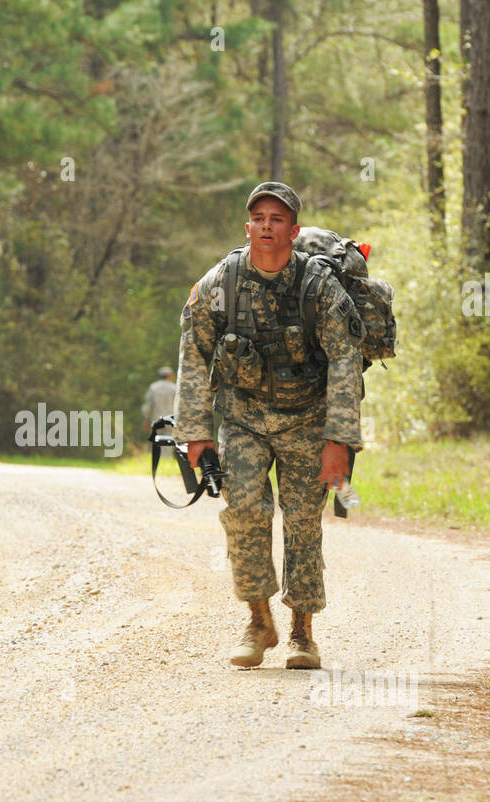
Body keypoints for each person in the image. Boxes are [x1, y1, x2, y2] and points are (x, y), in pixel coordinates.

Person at [172, 181, 364, 669]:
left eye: (277, 219)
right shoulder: (221, 282)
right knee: (246, 515)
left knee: (302, 521)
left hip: (307, 420)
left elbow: (345, 359)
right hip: (242, 419)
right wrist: (194, 432)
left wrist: (339, 440)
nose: (266, 226)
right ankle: (258, 622)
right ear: (247, 226)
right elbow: (194, 354)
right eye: (258, 218)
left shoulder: (318, 287)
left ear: (293, 231)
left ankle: (303, 633)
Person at [141, 366, 177, 456]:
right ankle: (166, 461)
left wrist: (146, 420)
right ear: (169, 376)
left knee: (156, 442)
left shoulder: (153, 387)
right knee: (168, 441)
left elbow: (148, 405)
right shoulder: (174, 388)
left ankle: (157, 461)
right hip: (170, 420)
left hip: (156, 419)